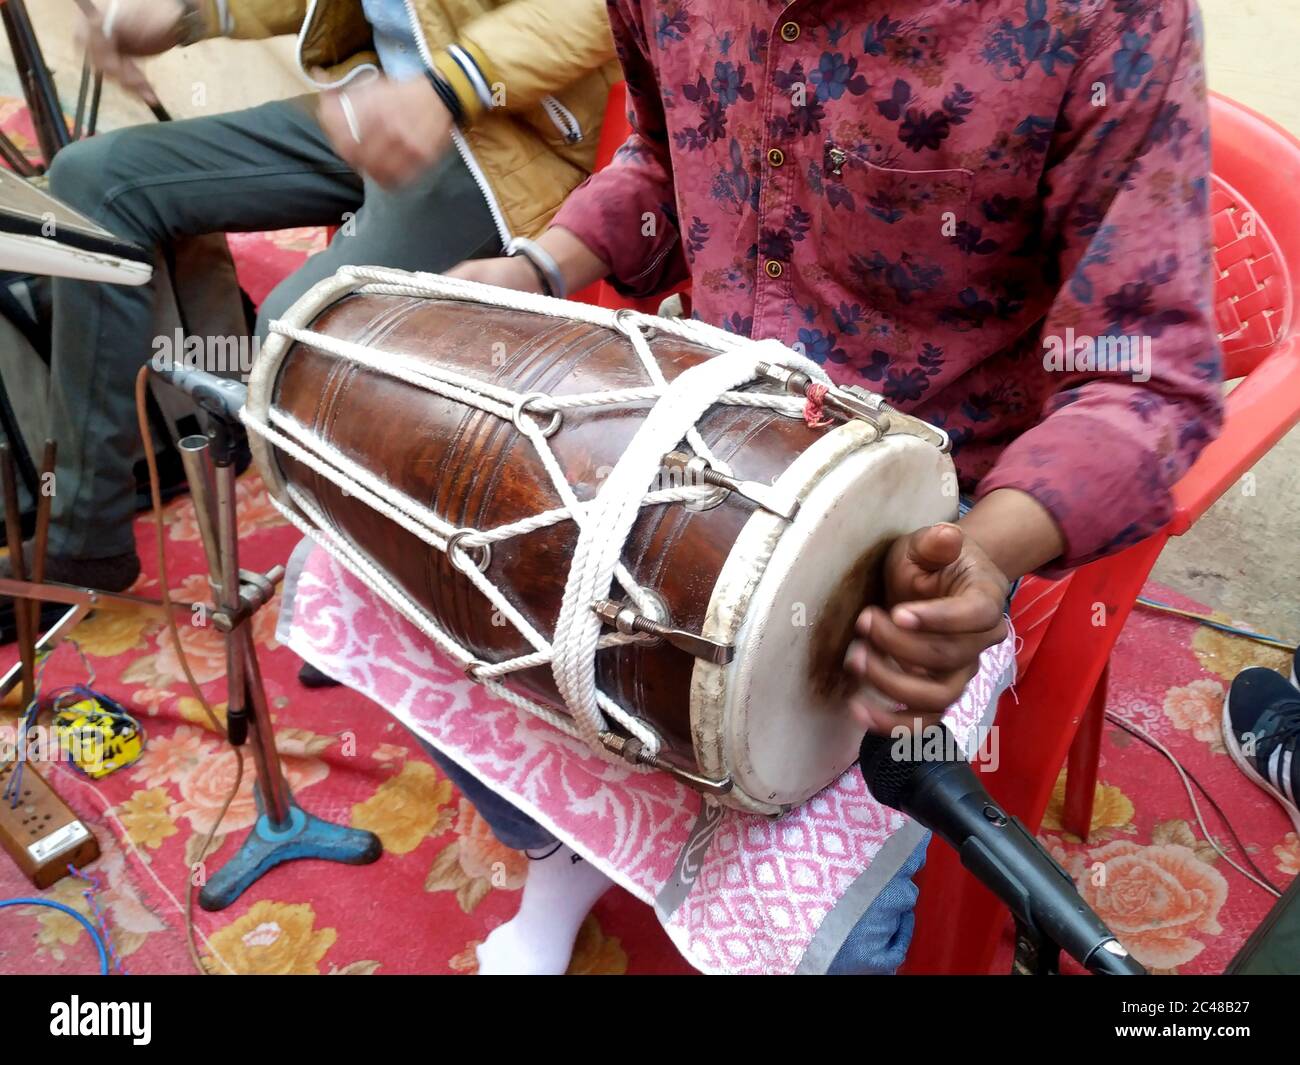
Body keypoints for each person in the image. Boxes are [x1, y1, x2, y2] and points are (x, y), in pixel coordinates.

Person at [436, 0, 1224, 972]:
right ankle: (563, 855)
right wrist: (538, 269)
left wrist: (978, 556)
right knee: (445, 597)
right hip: (707, 411)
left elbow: (1144, 375)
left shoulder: (1108, 17)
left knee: (824, 931)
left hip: (940, 495)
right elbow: (661, 165)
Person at [0, 0, 616, 596]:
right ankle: (85, 536)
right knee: (94, 181)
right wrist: (193, 11)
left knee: (294, 332)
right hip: (375, 100)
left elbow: (604, 13)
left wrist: (447, 87)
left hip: (506, 136)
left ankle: (374, 594)